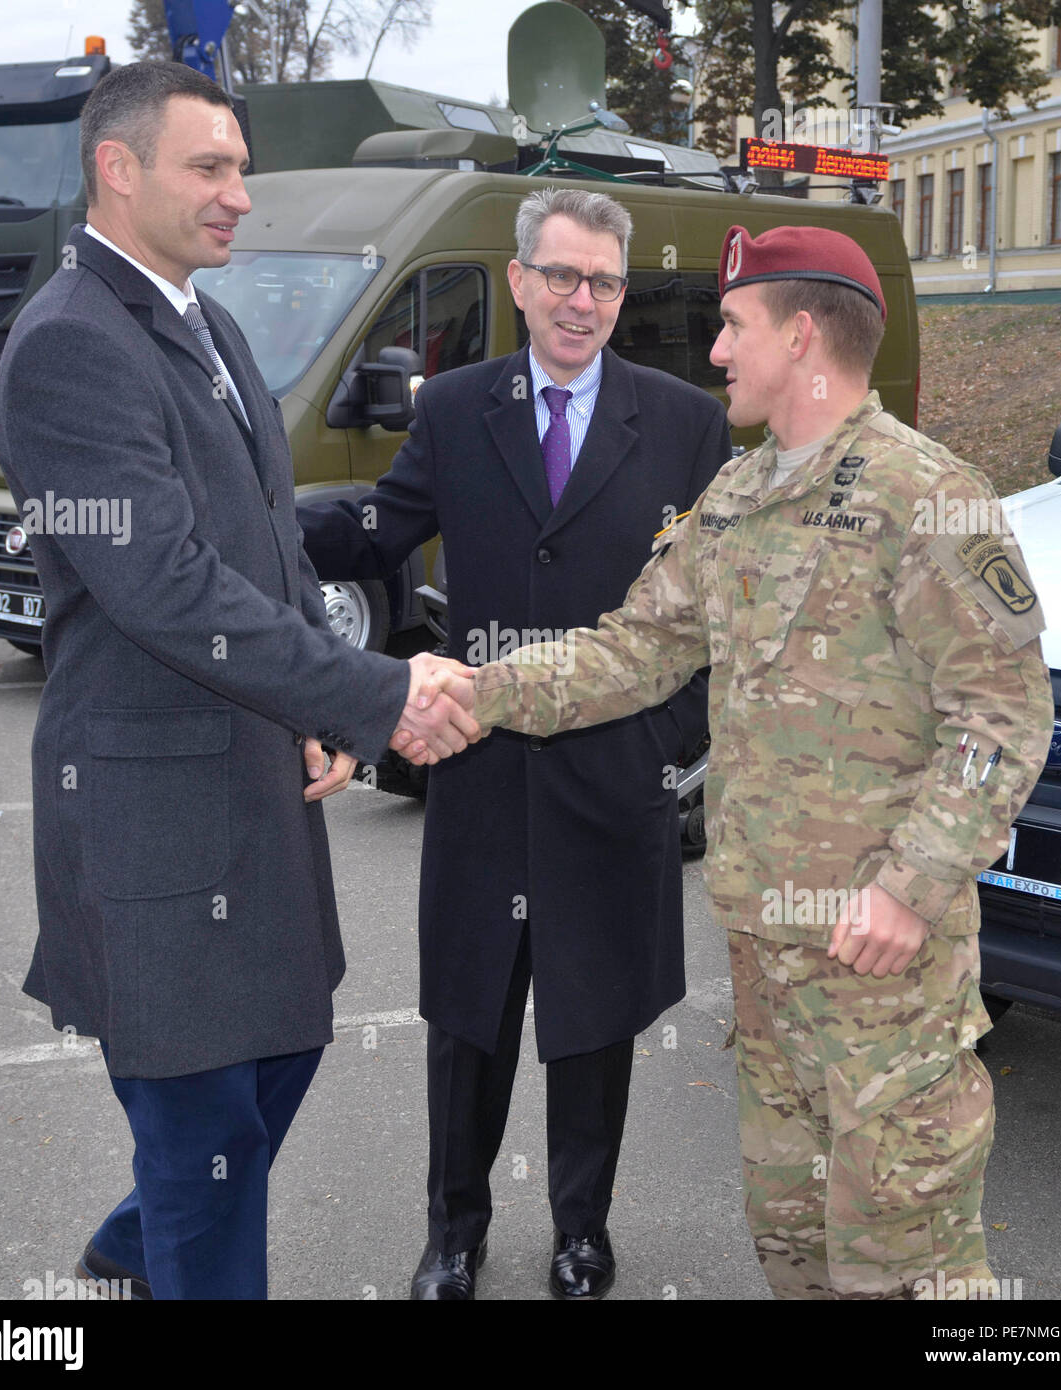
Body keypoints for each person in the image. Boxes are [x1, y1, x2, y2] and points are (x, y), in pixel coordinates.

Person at [404, 223, 1055, 1300]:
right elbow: (633, 650)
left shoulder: (926, 496)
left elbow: (1002, 717)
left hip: (879, 979)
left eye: (732, 327)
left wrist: (908, 887)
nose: (712, 353)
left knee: (909, 1261)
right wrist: (470, 691)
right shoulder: (740, 498)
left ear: (800, 337)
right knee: (794, 1249)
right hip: (764, 964)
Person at [0, 60, 476, 1301]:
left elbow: (251, 542)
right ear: (119, 167)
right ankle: (165, 1261)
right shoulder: (69, 346)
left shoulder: (202, 317)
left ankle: (125, 1254)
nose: (238, 196)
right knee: (207, 1150)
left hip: (245, 778)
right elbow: (166, 587)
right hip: (157, 817)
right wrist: (370, 693)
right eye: (209, 166)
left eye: (240, 169)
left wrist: (310, 705)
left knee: (279, 1057)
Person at [301, 187, 731, 1299]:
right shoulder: (452, 407)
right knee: (468, 1023)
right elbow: (379, 530)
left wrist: (664, 754)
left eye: (601, 281)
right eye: (559, 276)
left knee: (593, 1028)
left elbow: (710, 617)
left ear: (620, 293)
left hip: (611, 781)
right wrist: (254, 513)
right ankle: (454, 1233)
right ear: (518, 280)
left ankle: (580, 1233)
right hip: (481, 778)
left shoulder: (683, 424)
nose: (579, 301)